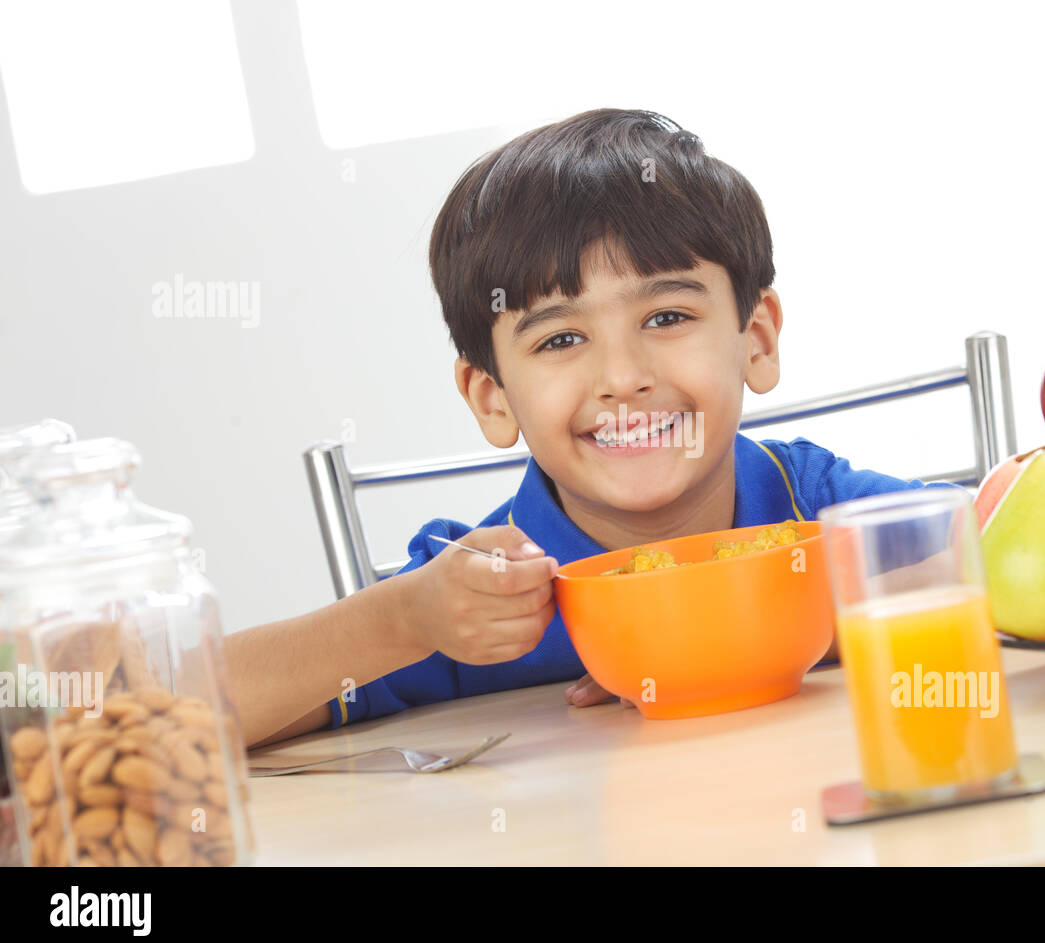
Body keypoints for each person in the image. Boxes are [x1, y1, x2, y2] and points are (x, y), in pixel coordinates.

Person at [226, 107, 949, 747]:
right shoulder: (477, 600)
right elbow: (159, 718)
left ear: (755, 340)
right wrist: (399, 622)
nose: (622, 376)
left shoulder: (817, 502)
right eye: (560, 341)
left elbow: (1005, 559)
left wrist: (749, 637)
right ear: (492, 398)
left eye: (666, 318)